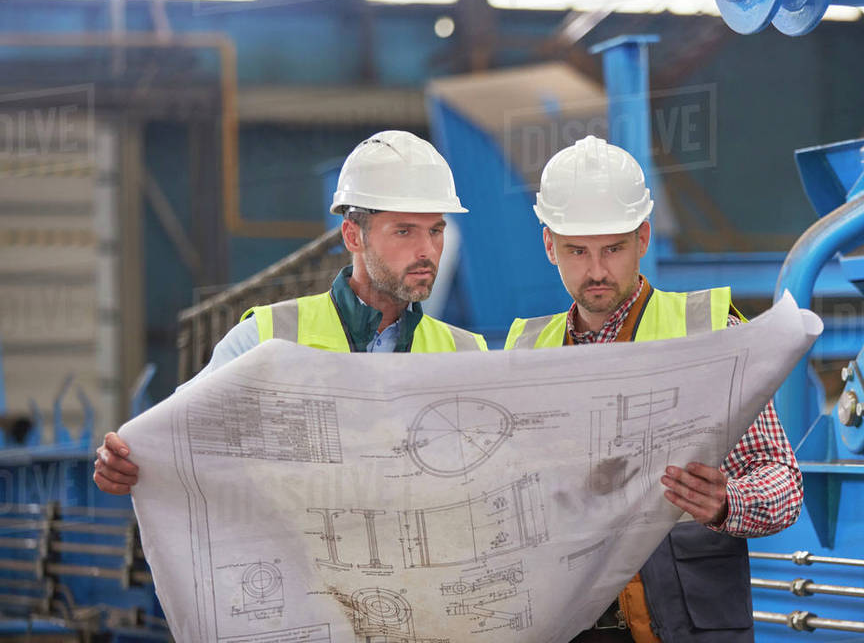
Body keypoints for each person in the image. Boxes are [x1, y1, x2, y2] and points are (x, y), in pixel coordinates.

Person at [505, 136, 803, 643]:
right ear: (549, 245)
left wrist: (727, 501)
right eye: (577, 251)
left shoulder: (709, 332)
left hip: (683, 627)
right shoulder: (524, 351)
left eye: (614, 249)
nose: (596, 270)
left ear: (643, 237)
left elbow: (784, 481)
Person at [94, 130, 485, 496]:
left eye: (435, 230)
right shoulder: (268, 336)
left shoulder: (466, 355)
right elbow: (176, 431)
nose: (427, 251)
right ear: (353, 235)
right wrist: (124, 460)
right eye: (404, 231)